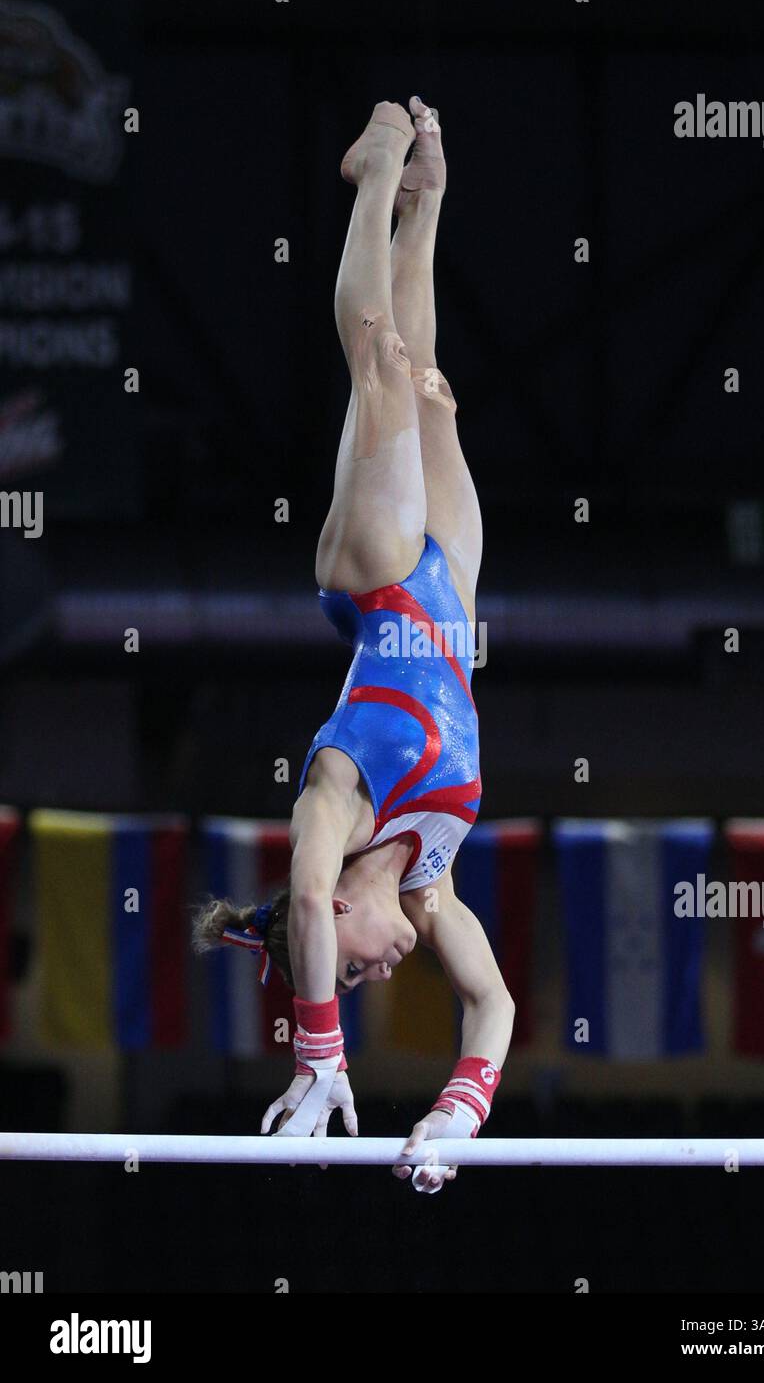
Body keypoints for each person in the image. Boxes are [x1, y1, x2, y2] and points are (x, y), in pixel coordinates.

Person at [194, 98, 514, 1194]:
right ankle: (423, 205)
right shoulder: (432, 882)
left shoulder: (333, 802)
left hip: (375, 579)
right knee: (427, 379)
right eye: (367, 985)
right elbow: (495, 1003)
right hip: (452, 587)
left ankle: (373, 171)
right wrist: (455, 1114)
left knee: (376, 363)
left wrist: (318, 1054)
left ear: (331, 909)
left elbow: (313, 909)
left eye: (352, 969)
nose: (383, 973)